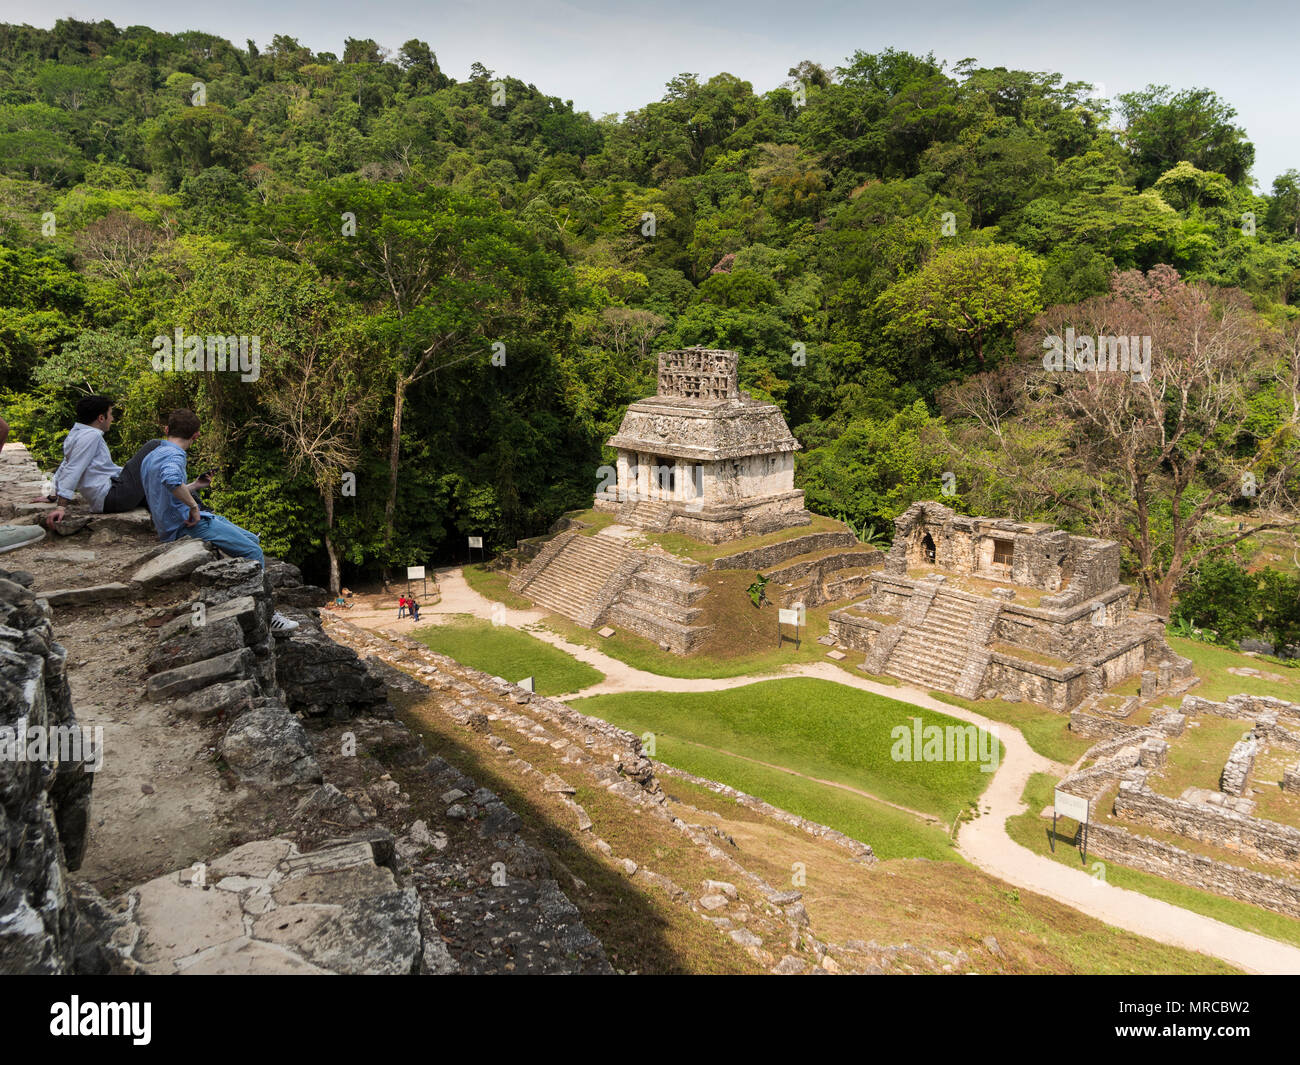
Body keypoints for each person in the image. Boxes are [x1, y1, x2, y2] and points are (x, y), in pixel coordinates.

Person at [140, 408, 299, 634]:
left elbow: (166, 487)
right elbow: (170, 480)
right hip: (186, 526)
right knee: (254, 553)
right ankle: (268, 615)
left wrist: (194, 486)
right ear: (196, 435)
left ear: (166, 430)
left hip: (176, 522)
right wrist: (194, 506)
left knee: (252, 538)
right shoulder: (175, 455)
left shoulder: (152, 454)